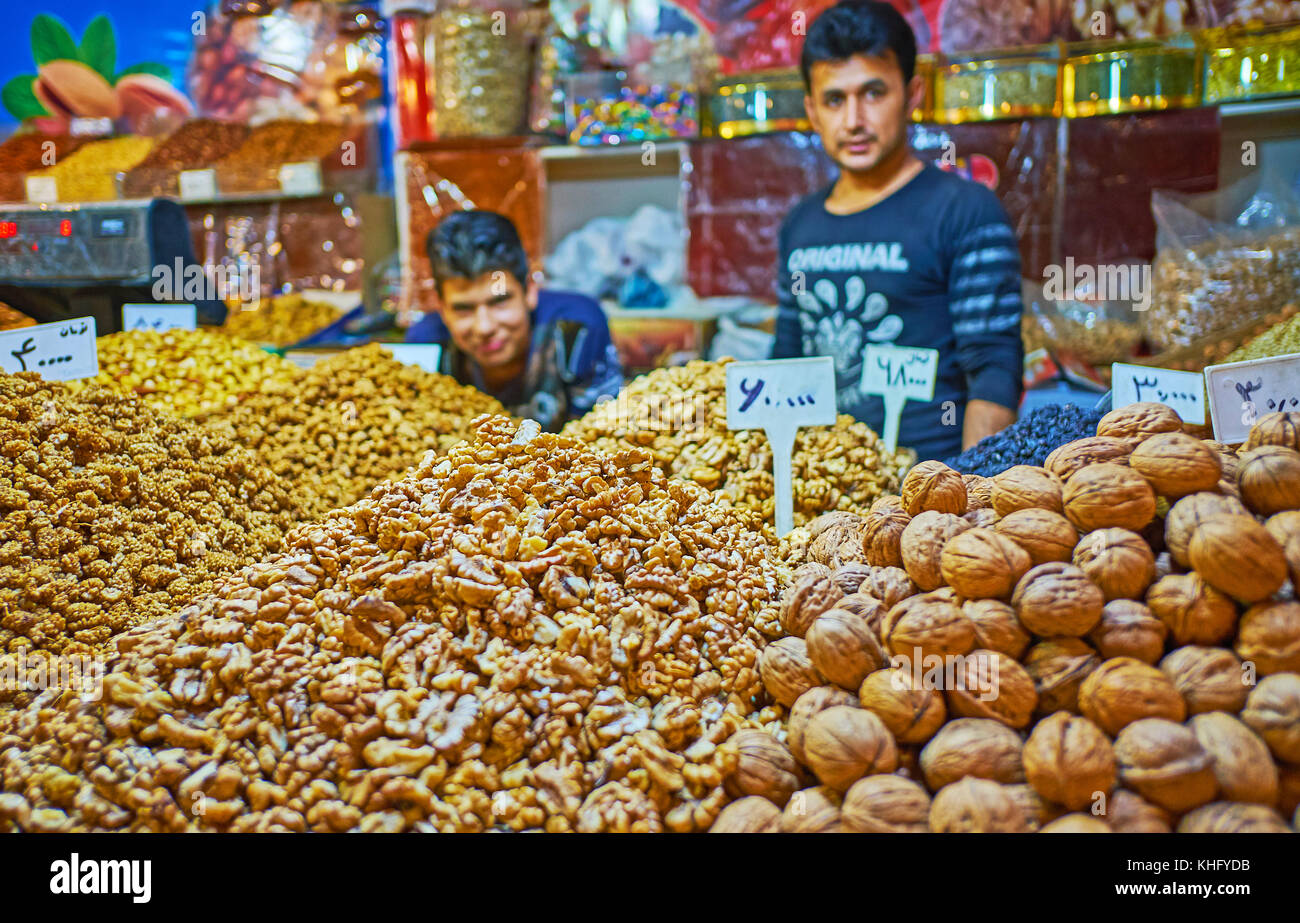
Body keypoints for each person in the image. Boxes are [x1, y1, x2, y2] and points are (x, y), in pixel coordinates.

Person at [773, 0, 1023, 461]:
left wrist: (965, 494)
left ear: (912, 94)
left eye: (873, 93)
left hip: (927, 496)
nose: (853, 121)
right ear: (812, 111)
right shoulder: (799, 225)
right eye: (834, 99)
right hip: (821, 493)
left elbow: (993, 367)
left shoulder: (966, 211)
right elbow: (787, 360)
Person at [406, 209, 625, 431]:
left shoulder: (577, 330)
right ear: (441, 308)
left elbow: (600, 437)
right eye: (463, 309)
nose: (484, 327)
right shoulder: (426, 346)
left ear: (530, 291)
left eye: (499, 302)